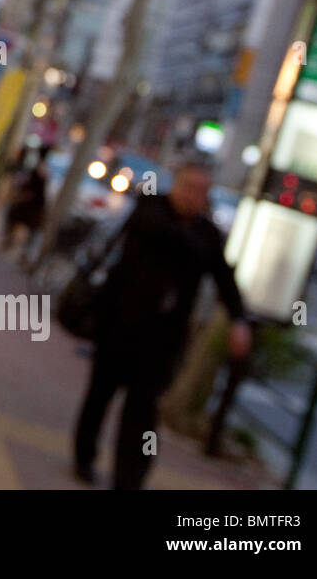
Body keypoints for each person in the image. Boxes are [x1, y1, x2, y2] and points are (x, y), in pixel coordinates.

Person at [72, 162, 251, 489]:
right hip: (118, 328)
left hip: (161, 342)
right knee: (99, 397)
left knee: (141, 414)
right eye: (188, 187)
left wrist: (239, 320)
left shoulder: (206, 234)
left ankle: (129, 479)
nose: (193, 197)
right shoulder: (150, 211)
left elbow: (224, 279)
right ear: (174, 186)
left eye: (201, 192)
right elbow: (165, 235)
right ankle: (84, 457)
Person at [6, 145, 51, 260]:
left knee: (16, 218)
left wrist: (20, 196)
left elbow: (33, 187)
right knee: (29, 227)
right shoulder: (45, 169)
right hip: (36, 203)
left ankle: (14, 244)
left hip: (31, 202)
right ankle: (22, 250)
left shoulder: (39, 168)